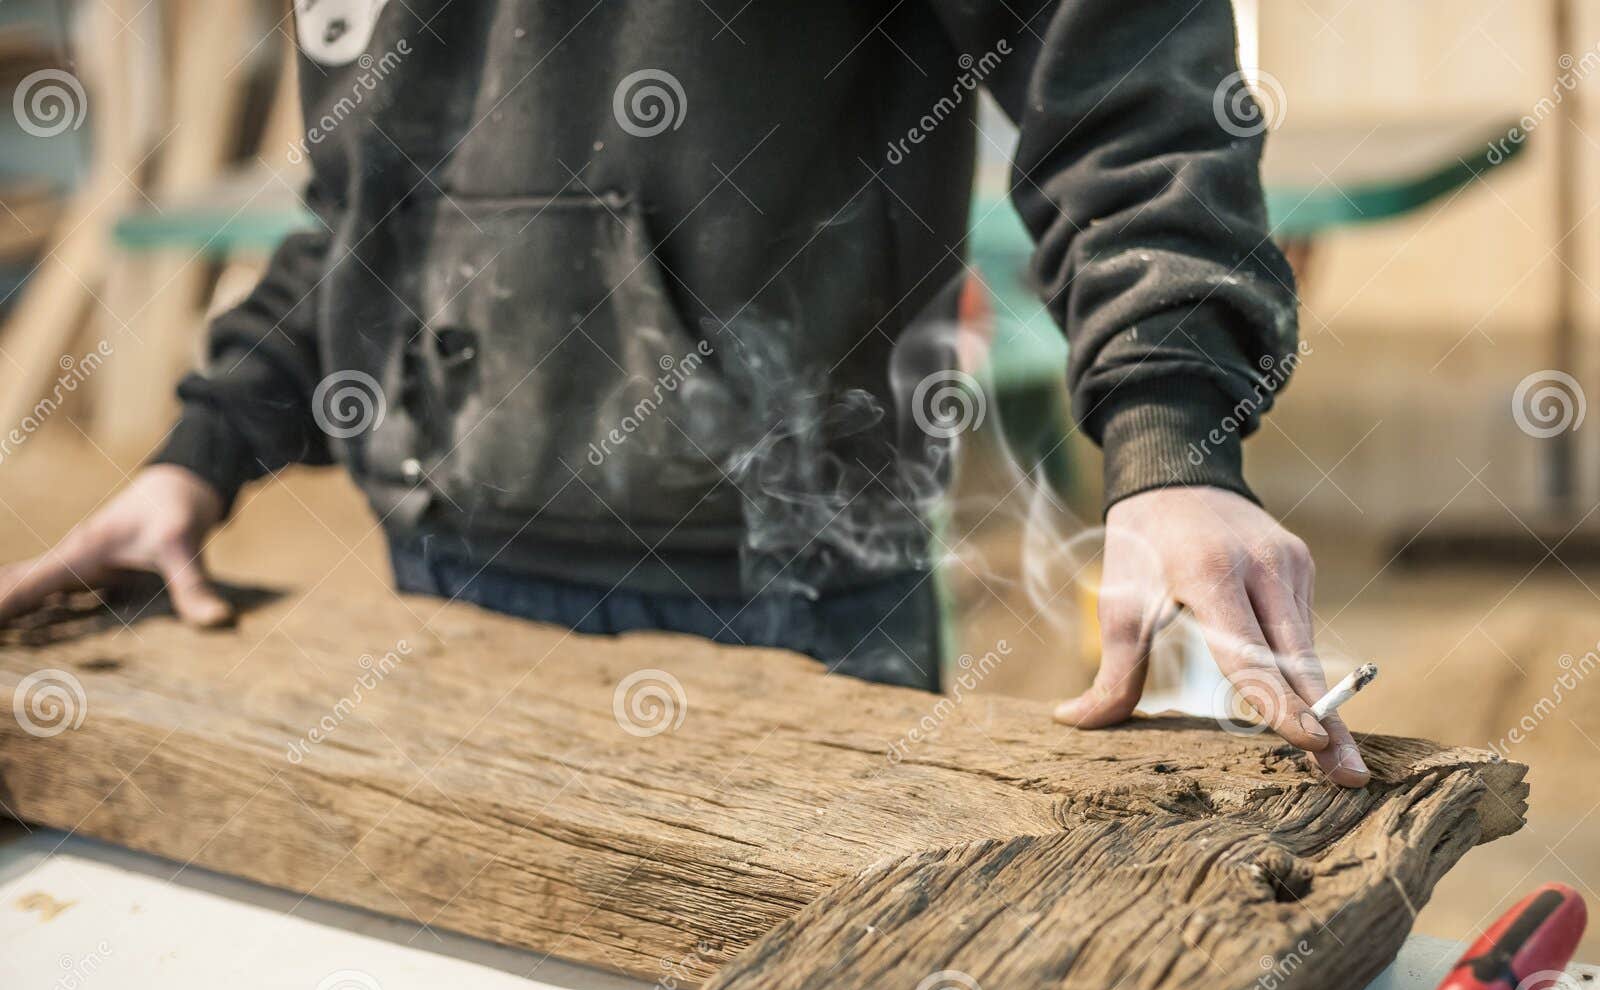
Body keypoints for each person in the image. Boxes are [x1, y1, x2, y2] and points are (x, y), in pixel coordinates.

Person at [0, 0, 1368, 787]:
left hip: (781, 587)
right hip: (439, 573)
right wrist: (199, 451)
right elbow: (368, 217)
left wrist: (1172, 433)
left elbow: (1124, 80)